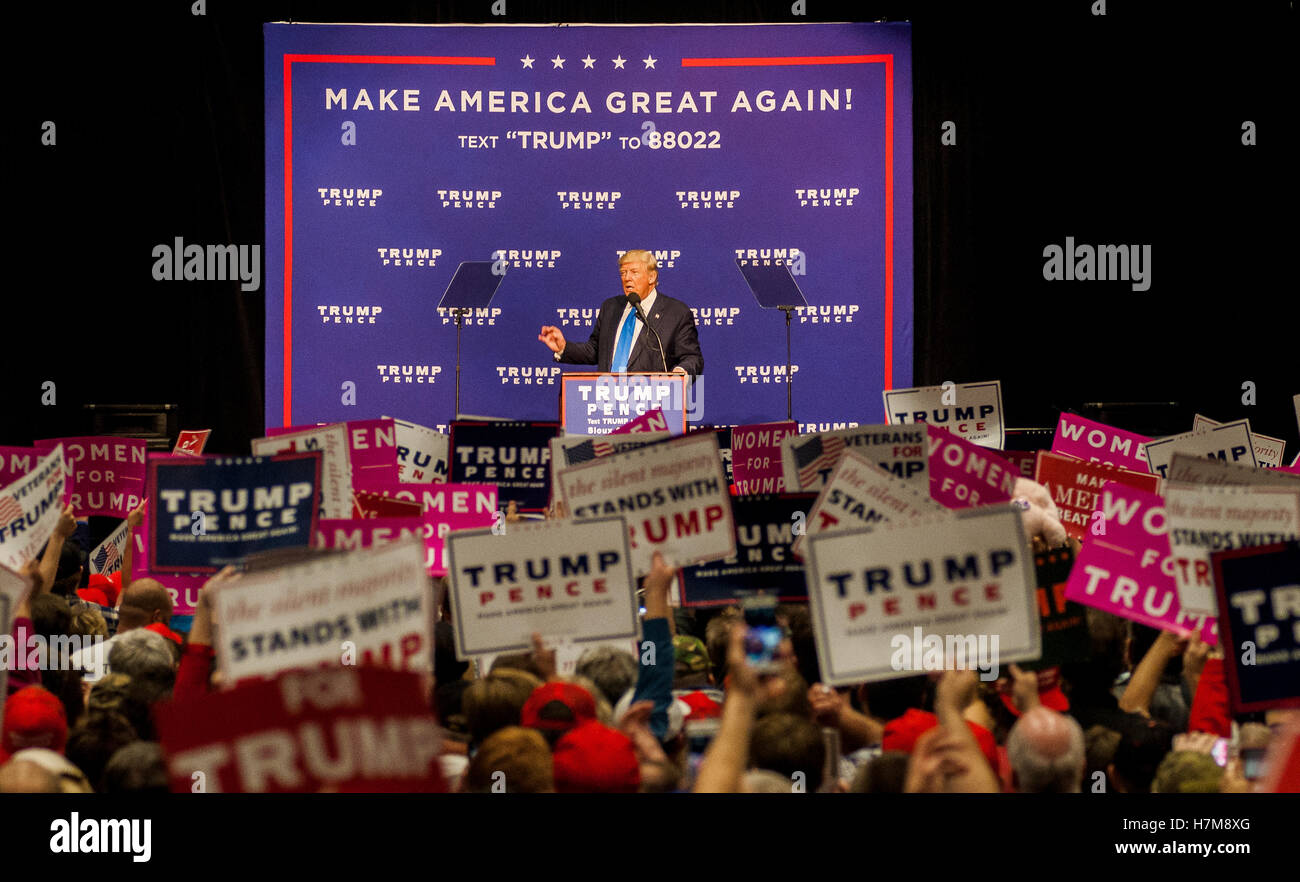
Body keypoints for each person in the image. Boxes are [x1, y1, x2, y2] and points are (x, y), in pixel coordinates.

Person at [538, 249, 703, 375]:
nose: (627, 278)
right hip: (609, 407)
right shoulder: (611, 307)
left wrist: (681, 373)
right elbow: (595, 351)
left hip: (654, 410)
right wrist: (563, 347)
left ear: (652, 277)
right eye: (623, 273)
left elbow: (692, 357)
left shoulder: (676, 313)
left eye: (634, 272)